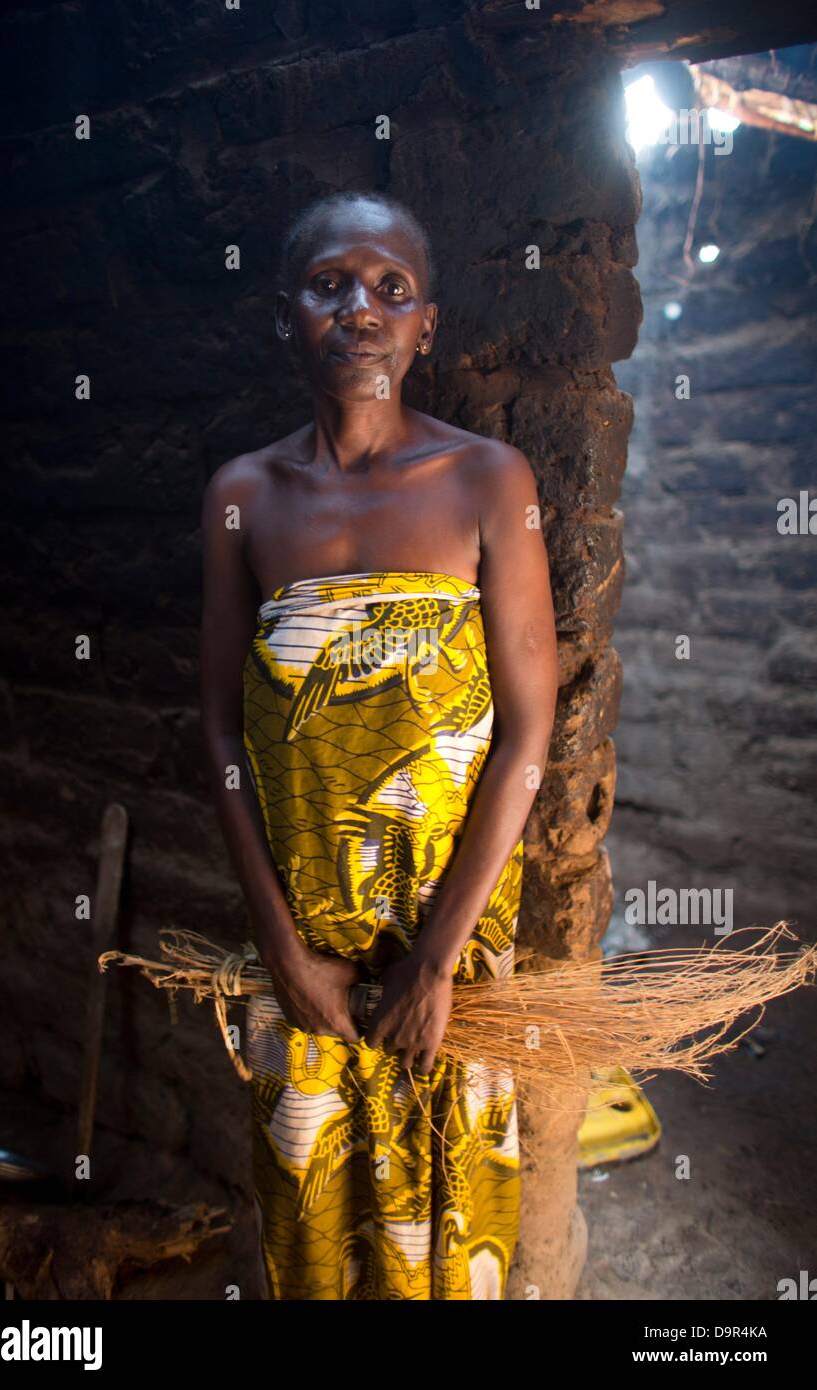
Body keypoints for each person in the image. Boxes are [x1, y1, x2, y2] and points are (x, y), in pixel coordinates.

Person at [200, 190, 559, 1300]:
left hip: (444, 966)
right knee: (311, 1242)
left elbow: (527, 733)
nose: (359, 308)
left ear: (424, 326)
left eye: (389, 289)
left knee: (448, 1249)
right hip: (305, 961)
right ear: (284, 315)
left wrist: (436, 965)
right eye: (328, 285)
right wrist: (283, 948)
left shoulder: (486, 482)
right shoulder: (242, 498)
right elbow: (219, 732)